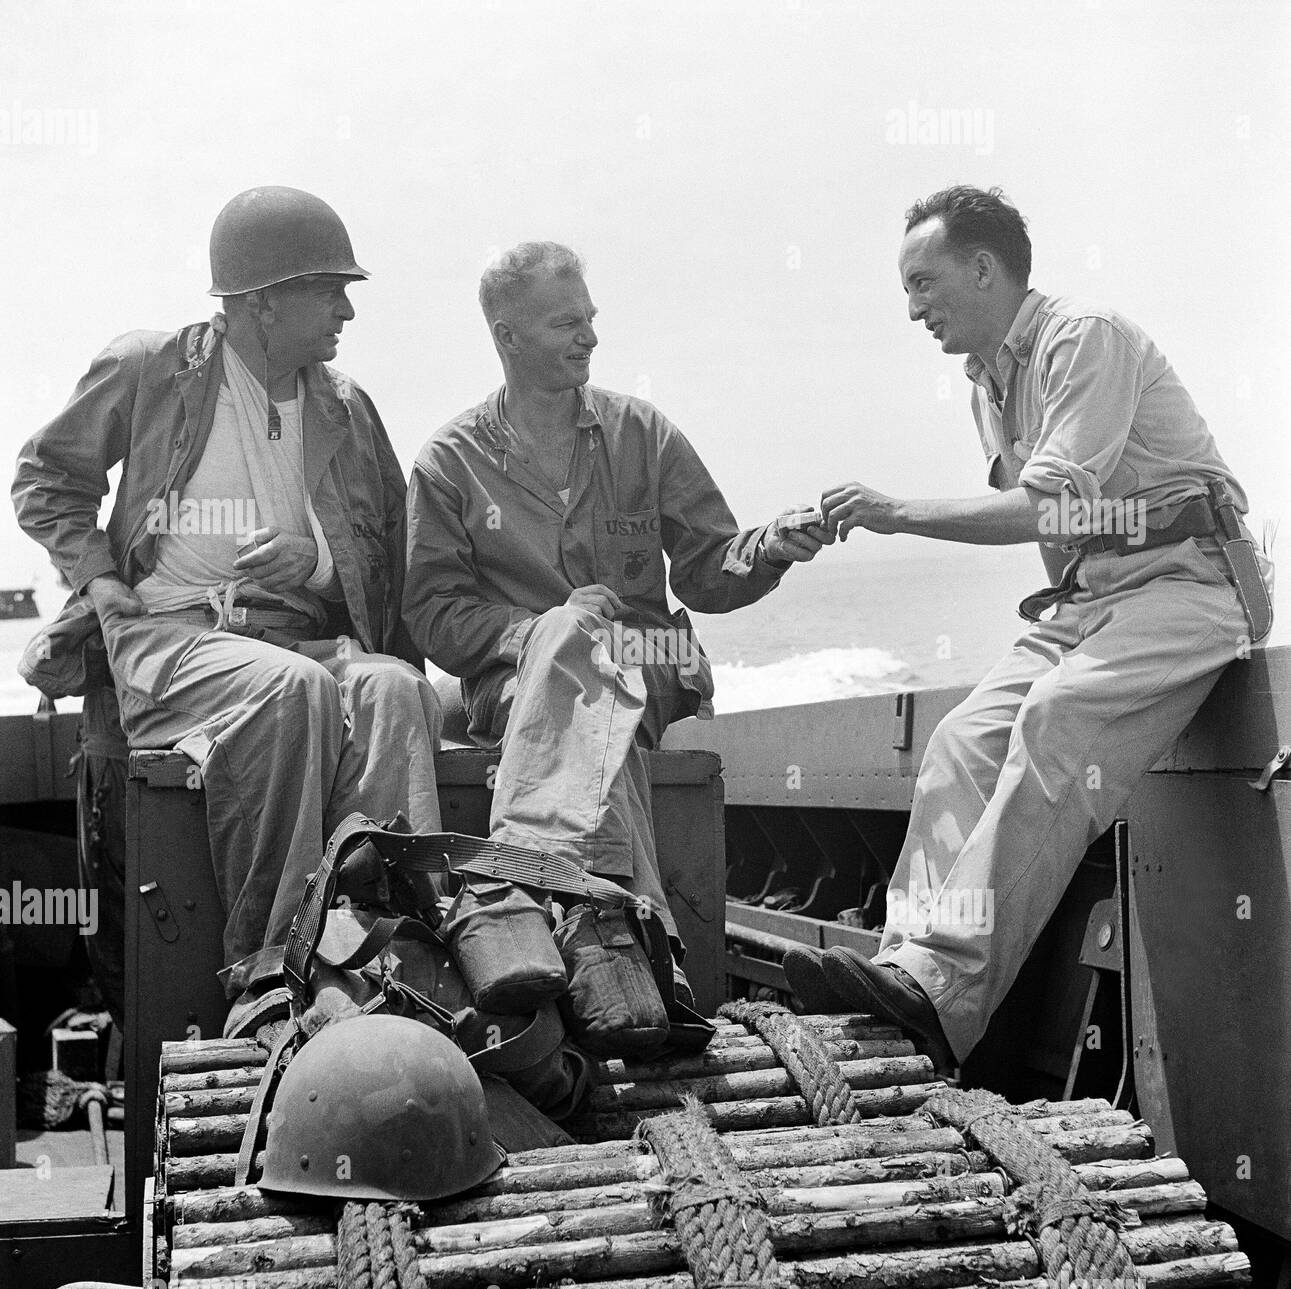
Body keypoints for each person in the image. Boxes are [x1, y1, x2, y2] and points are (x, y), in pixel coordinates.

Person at [785, 184, 1273, 1073]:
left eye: (923, 283)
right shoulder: (990, 384)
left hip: (1188, 584)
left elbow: (1045, 505)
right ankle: (903, 975)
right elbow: (1056, 539)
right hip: (1094, 597)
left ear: (983, 267)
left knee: (1055, 719)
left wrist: (892, 512)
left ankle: (942, 993)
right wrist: (1070, 612)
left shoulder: (1084, 338)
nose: (913, 309)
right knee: (961, 743)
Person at [13, 186, 443, 1001]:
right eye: (327, 289)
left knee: (395, 689)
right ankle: (271, 968)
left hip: (290, 638)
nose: (347, 311)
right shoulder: (149, 370)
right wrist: (102, 586)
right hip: (167, 637)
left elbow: (386, 553)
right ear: (259, 303)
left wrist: (312, 564)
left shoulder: (347, 409)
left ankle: (386, 950)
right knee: (294, 692)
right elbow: (44, 480)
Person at [403, 241, 830, 986]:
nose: (591, 336)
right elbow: (433, 616)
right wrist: (538, 629)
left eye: (590, 317)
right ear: (506, 337)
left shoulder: (643, 433)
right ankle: (638, 941)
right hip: (517, 679)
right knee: (586, 670)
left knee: (608, 667)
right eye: (566, 322)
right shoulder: (449, 463)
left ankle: (530, 887)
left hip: (653, 659)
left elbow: (706, 570)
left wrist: (769, 549)